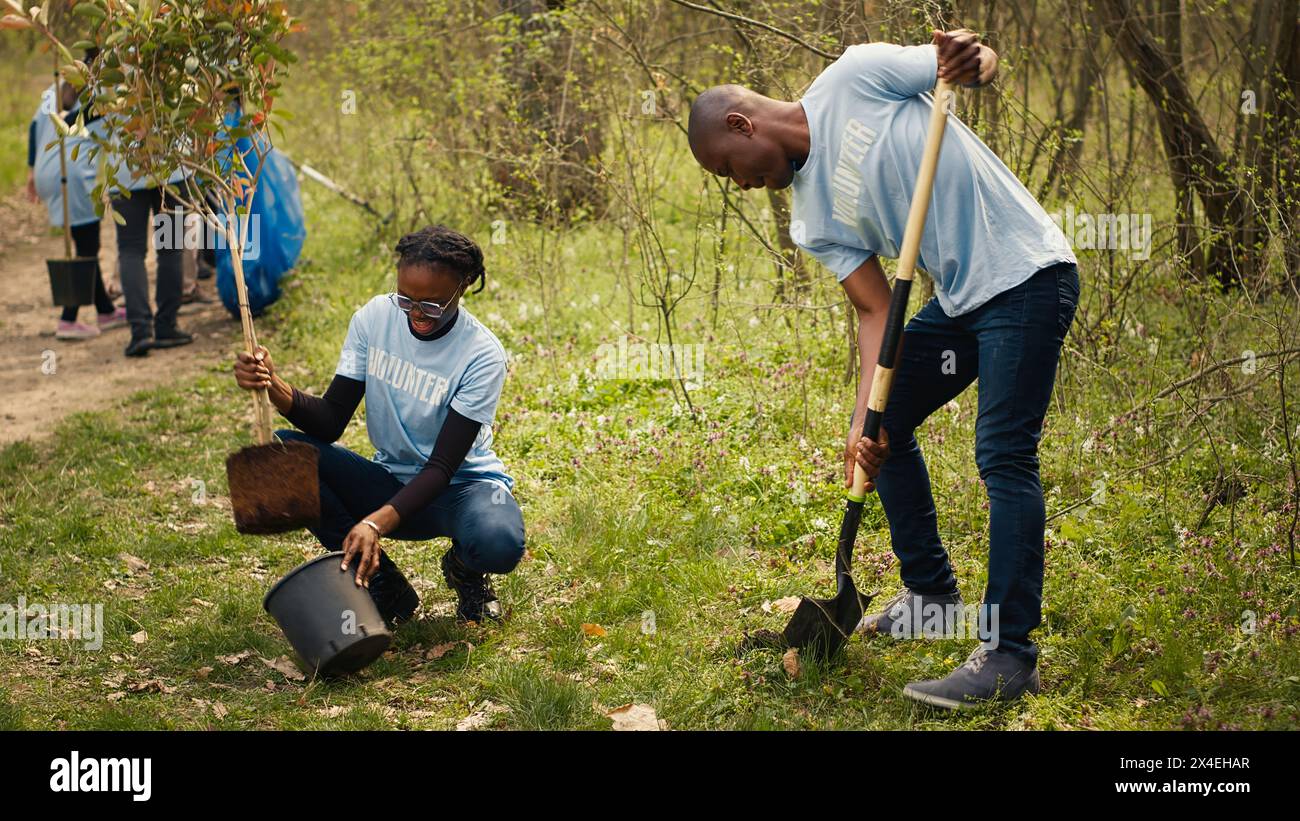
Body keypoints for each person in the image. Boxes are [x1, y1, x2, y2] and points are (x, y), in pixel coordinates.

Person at [687, 30, 1080, 709]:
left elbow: (977, 61)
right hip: (961, 303)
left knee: (1003, 454)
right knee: (884, 424)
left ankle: (1012, 656)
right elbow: (876, 311)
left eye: (732, 168)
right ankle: (931, 594)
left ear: (741, 122)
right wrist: (864, 415)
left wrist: (972, 60)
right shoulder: (812, 220)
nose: (743, 184)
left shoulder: (856, 77)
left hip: (1025, 276)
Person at [232, 225, 525, 626]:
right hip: (391, 480)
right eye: (407, 299)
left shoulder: (481, 355)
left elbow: (441, 467)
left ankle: (466, 570)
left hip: (461, 490)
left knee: (499, 543)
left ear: (463, 287)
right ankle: (384, 585)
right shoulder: (375, 319)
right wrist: (273, 385)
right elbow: (331, 420)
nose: (417, 314)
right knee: (288, 454)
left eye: (433, 305)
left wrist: (375, 522)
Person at [27, 61, 127, 340]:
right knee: (87, 246)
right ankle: (68, 319)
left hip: (47, 168)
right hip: (70, 174)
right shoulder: (101, 101)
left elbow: (35, 128)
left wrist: (31, 171)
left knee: (85, 244)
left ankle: (105, 311)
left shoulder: (52, 90)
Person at [102, 100, 194, 357]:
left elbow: (95, 123)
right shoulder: (169, 58)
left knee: (131, 251)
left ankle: (141, 331)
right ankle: (165, 325)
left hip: (125, 174)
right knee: (170, 248)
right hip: (171, 170)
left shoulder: (103, 67)